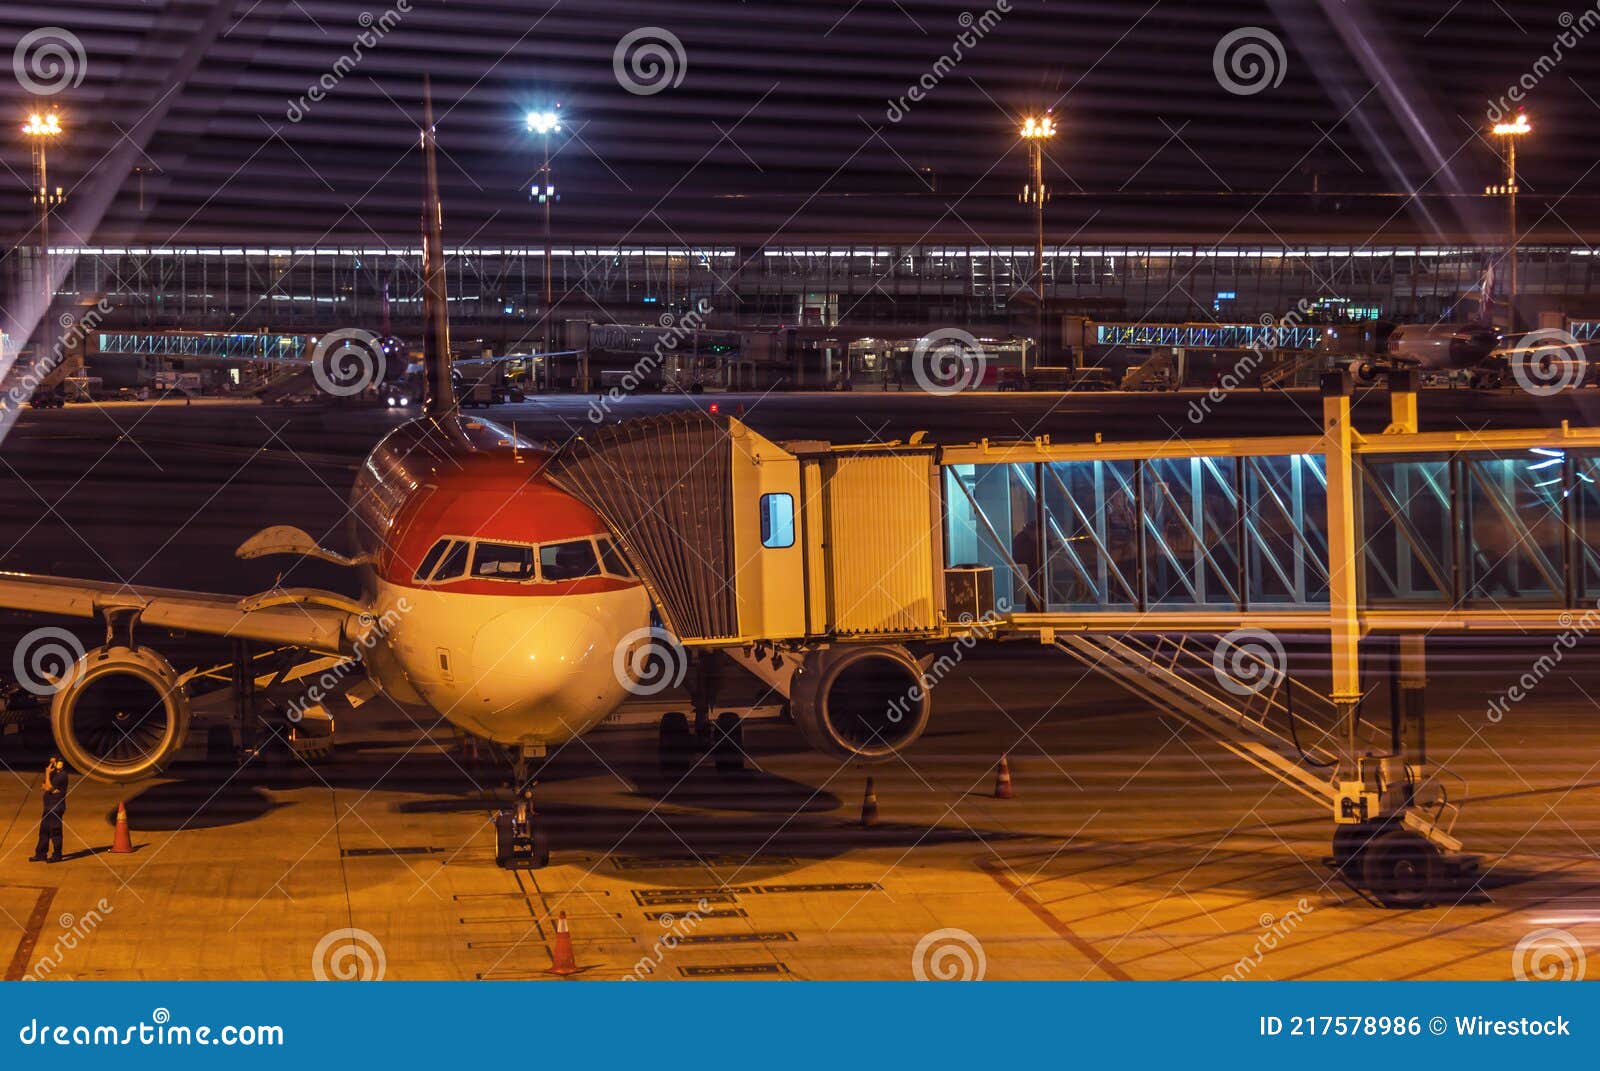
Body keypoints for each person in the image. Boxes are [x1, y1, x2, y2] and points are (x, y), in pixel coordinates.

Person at [31, 757, 68, 863]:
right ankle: (41, 854)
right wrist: (49, 775)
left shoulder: (62, 775)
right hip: (48, 807)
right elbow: (43, 786)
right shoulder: (53, 774)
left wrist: (47, 774)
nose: (52, 764)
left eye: (54, 762)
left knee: (55, 832)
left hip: (56, 808)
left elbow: (48, 788)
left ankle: (57, 855)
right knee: (44, 831)